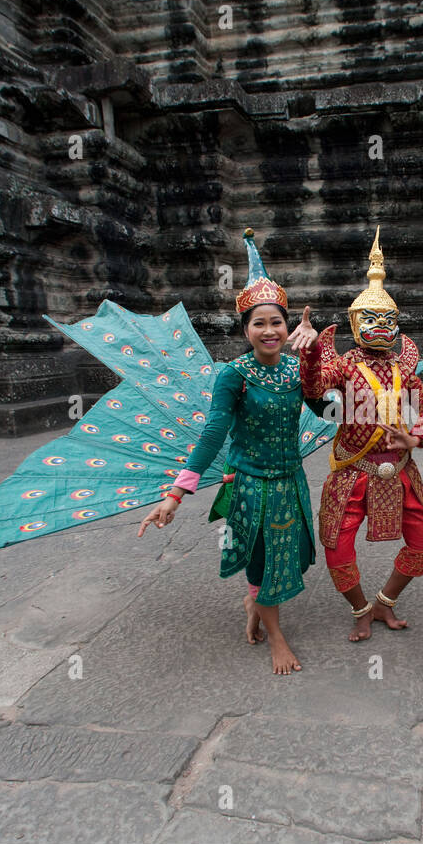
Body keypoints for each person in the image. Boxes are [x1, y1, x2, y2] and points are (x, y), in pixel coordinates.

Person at [138, 229, 314, 675]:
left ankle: (254, 606)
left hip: (291, 478)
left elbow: (328, 406)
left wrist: (322, 358)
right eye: (260, 323)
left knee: (287, 554)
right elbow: (214, 434)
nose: (270, 330)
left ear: (288, 325)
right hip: (249, 481)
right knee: (261, 558)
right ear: (246, 330)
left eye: (278, 321)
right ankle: (276, 635)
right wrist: (175, 494)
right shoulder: (233, 375)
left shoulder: (297, 367)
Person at [288, 229, 423, 642]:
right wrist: (312, 352)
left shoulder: (403, 368)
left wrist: (415, 438)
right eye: (370, 319)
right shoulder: (345, 363)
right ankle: (360, 608)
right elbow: (317, 389)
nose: (379, 326)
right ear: (355, 322)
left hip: (400, 468)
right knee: (336, 544)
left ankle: (386, 602)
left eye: (387, 320)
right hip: (353, 469)